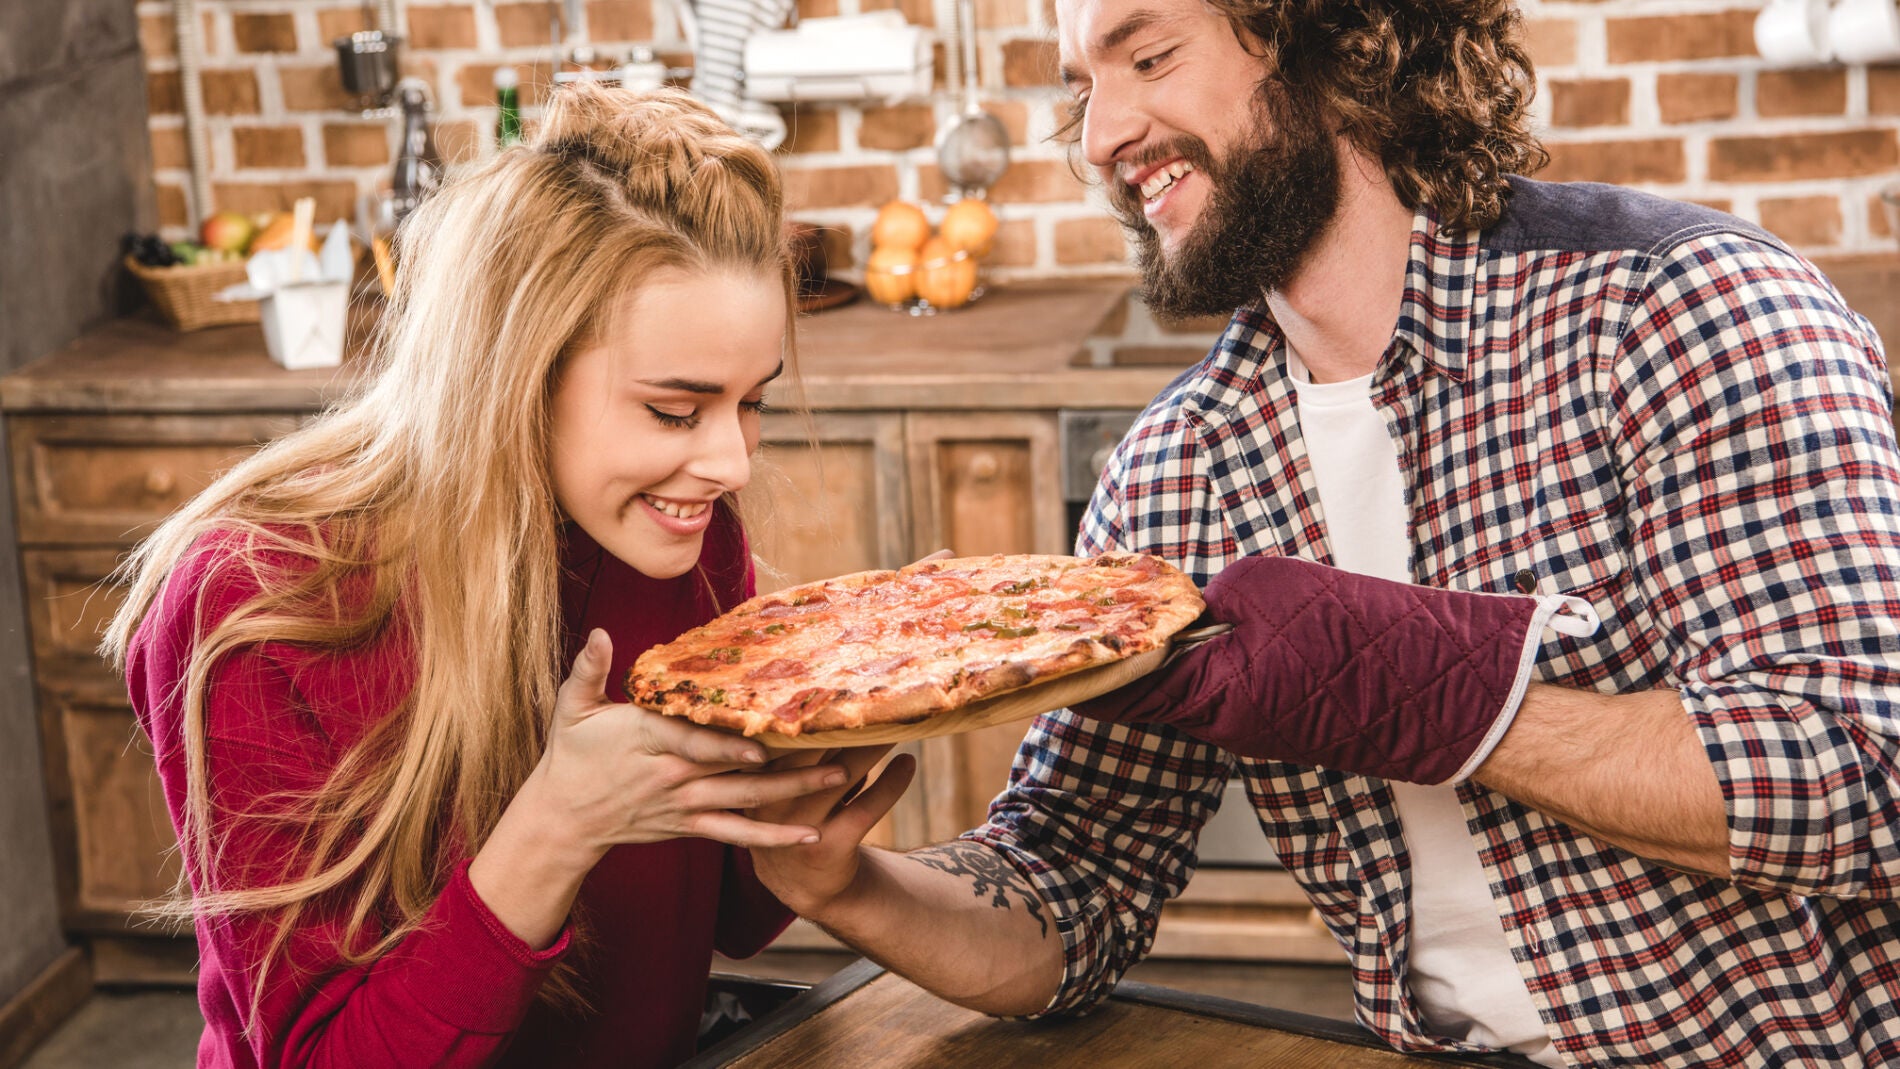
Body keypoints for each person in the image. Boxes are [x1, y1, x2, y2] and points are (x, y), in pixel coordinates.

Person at [743, 0, 1900, 1064]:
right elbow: (1068, 891)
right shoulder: (1178, 472)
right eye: (1083, 87)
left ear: (1341, 41)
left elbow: (1865, 778)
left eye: (1150, 57)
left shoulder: (1680, 312)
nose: (1098, 138)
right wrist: (841, 882)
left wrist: (1413, 687)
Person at [103, 84, 866, 1069]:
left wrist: (805, 807)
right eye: (676, 412)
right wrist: (558, 824)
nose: (731, 464)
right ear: (517, 376)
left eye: (751, 402)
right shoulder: (259, 599)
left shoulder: (678, 527)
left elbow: (721, 916)